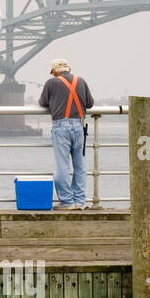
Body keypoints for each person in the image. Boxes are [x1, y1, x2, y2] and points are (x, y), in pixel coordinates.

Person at [38, 58, 93, 210]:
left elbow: (43, 102)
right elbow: (90, 103)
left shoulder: (51, 83)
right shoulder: (81, 81)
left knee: (62, 165)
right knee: (80, 165)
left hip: (61, 126)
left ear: (55, 71)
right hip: (79, 126)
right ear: (69, 69)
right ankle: (80, 201)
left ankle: (67, 202)